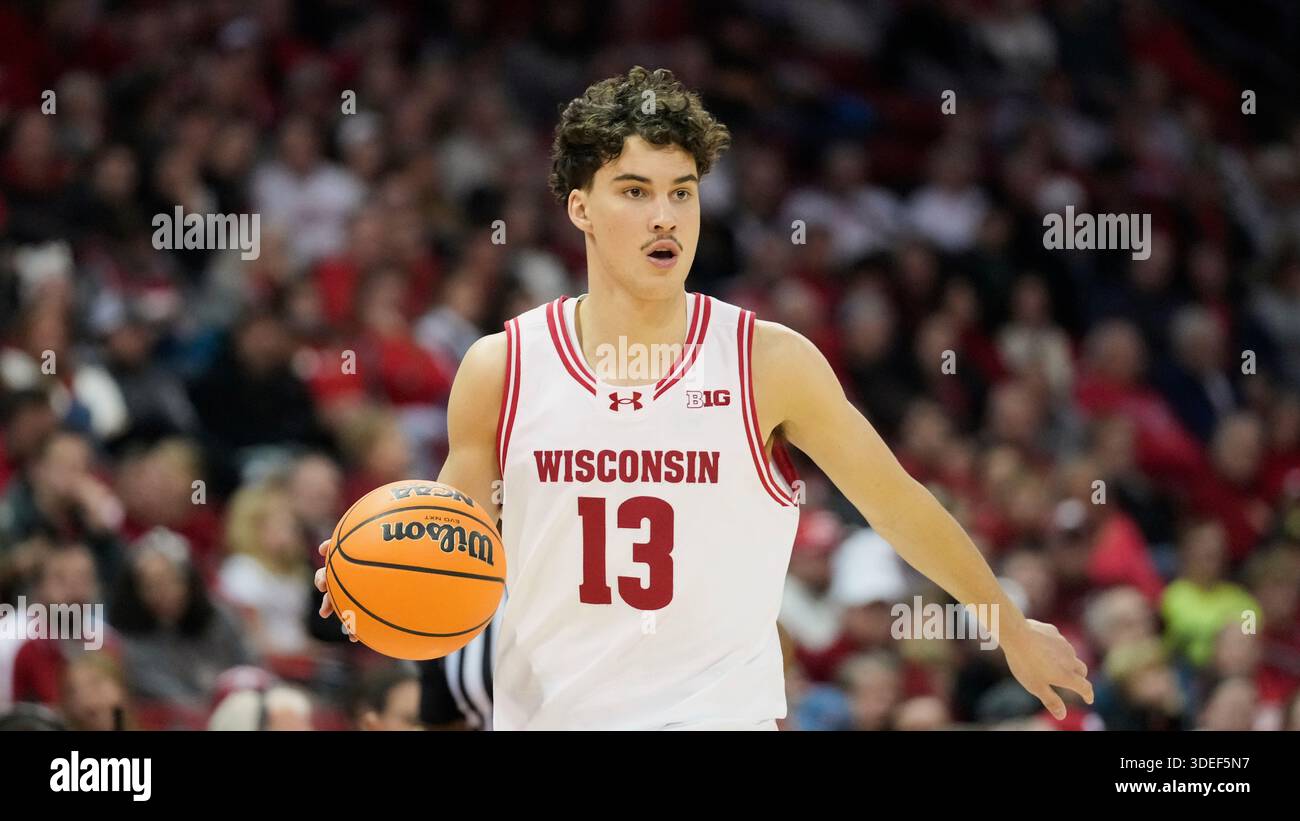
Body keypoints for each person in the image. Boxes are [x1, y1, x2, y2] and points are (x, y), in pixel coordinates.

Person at [317, 67, 1092, 730]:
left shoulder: (767, 362)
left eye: (681, 192)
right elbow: (454, 563)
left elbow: (896, 504)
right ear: (579, 207)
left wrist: (1007, 622)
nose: (665, 216)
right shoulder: (501, 367)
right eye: (634, 190)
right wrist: (374, 581)